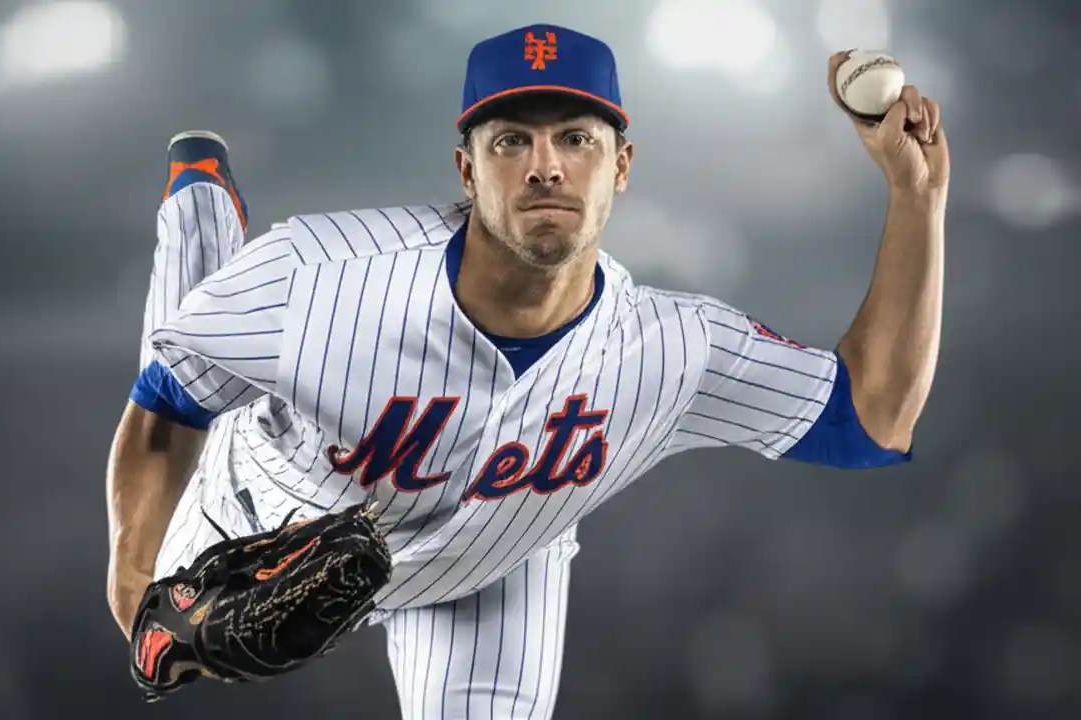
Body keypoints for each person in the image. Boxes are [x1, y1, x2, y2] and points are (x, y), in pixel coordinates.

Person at [105, 23, 948, 720]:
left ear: (621, 165)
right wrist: (133, 587)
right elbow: (163, 408)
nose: (546, 165)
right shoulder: (317, 275)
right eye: (513, 140)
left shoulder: (675, 349)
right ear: (467, 170)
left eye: (576, 138)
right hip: (258, 507)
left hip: (490, 570)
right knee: (186, 343)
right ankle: (200, 205)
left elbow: (871, 418)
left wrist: (918, 199)